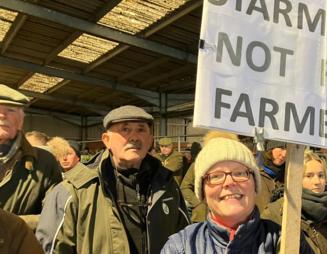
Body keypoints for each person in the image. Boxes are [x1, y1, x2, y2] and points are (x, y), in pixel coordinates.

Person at [49, 105, 190, 254]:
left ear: (150, 140)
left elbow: (185, 239)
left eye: (141, 129)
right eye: (125, 129)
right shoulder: (75, 190)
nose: (134, 137)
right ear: (106, 140)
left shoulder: (167, 185)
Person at [161, 132, 312, 253]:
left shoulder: (286, 241)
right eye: (216, 176)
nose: (229, 182)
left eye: (239, 173)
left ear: (255, 184)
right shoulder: (180, 247)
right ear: (203, 191)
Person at [262, 150, 327, 254]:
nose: (317, 181)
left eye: (321, 175)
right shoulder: (276, 212)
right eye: (309, 176)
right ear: (295, 178)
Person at [0, 84, 62, 229]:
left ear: (20, 121)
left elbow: (56, 214)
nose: (2, 115)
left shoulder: (45, 161)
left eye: (10, 110)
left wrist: (9, 224)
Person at [255, 140, 287, 212]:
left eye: (288, 149)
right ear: (270, 149)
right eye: (281, 148)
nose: (284, 154)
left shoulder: (289, 177)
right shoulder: (255, 176)